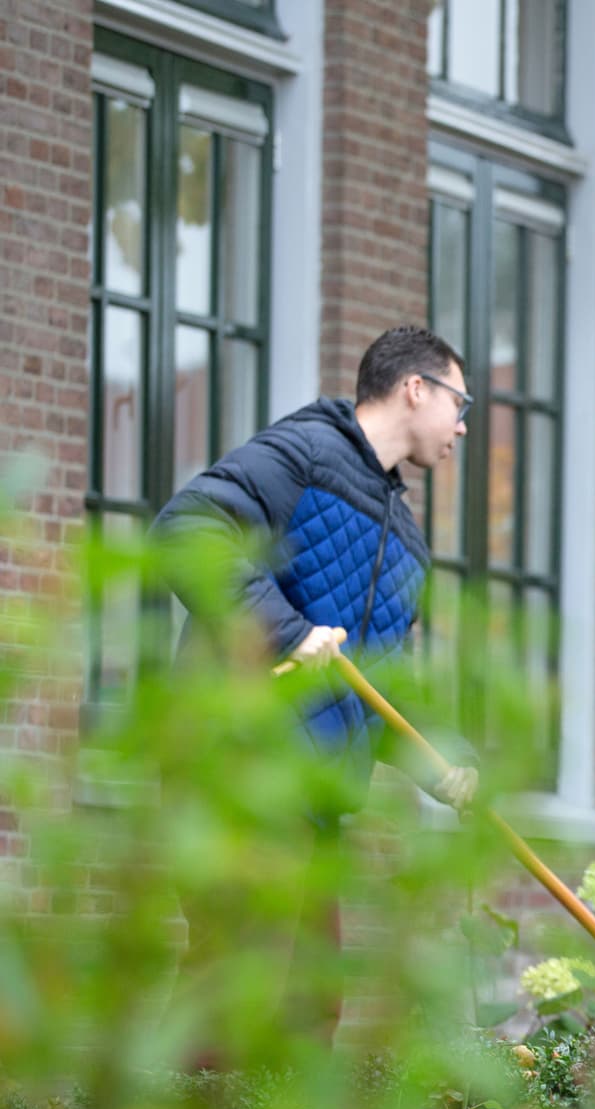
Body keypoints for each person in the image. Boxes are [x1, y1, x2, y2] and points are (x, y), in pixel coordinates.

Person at [152, 324, 480, 1047]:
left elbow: (380, 687)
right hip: (240, 767)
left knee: (310, 1011)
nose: (462, 425)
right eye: (460, 402)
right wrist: (287, 628)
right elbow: (186, 530)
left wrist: (442, 764)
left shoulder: (407, 540)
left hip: (313, 802)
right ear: (414, 388)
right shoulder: (301, 455)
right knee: (237, 985)